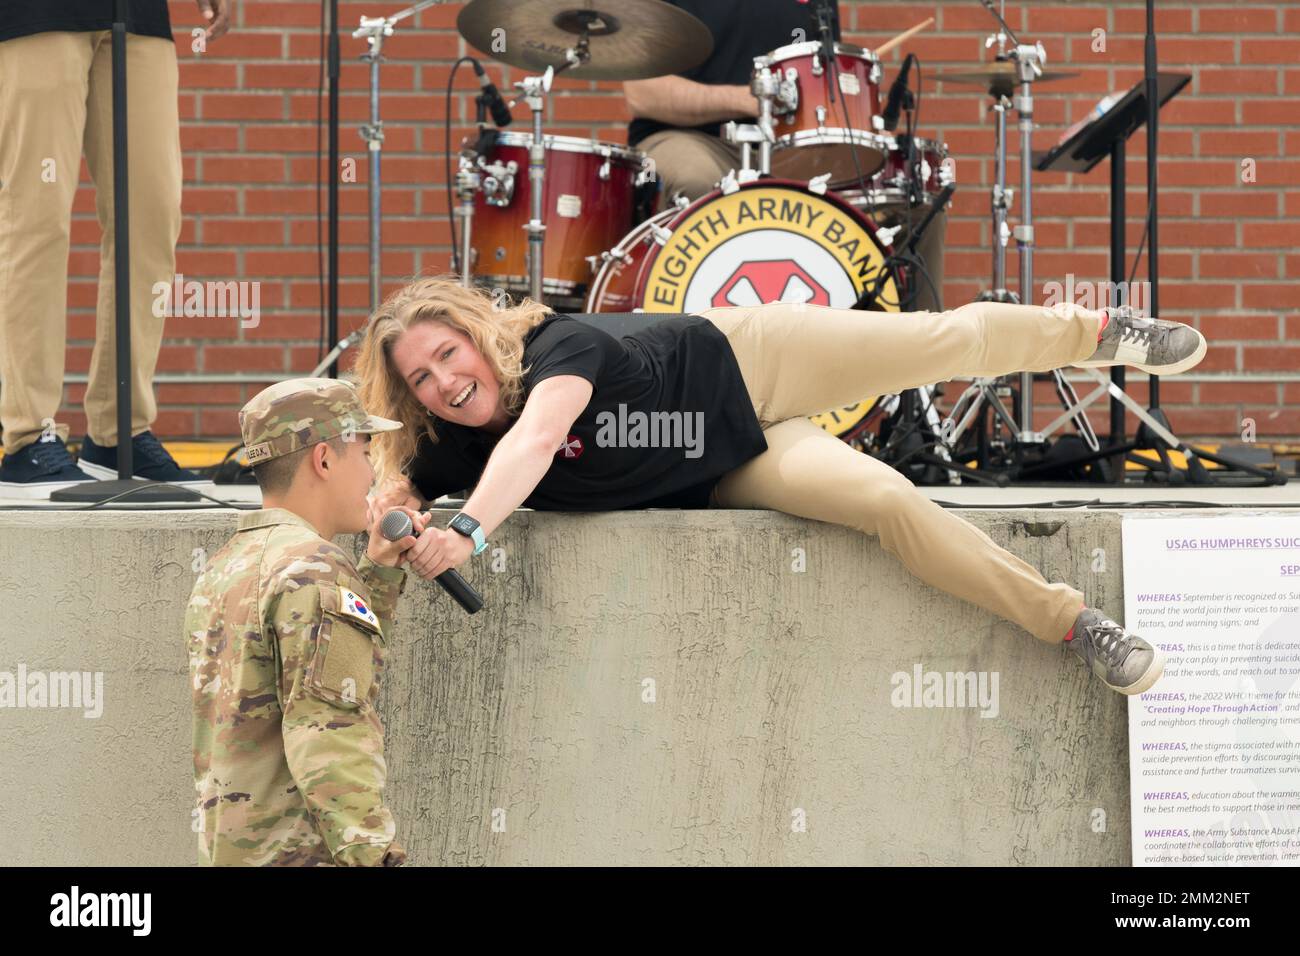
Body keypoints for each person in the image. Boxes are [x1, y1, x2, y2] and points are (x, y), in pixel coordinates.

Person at [356, 276, 1208, 697]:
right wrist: (394, 507)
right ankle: (1076, 624)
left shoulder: (559, 347)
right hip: (728, 468)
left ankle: (1101, 329)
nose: (444, 382)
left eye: (448, 354)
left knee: (934, 341)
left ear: (478, 335)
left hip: (748, 361)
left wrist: (464, 532)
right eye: (420, 378)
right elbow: (394, 486)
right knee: (885, 502)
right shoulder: (452, 445)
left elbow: (540, 438)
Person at [186, 377, 423, 866]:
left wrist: (377, 570)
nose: (372, 473)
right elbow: (329, 729)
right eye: (365, 452)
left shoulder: (224, 567)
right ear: (324, 460)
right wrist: (374, 855)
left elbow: (312, 675)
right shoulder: (315, 567)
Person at [0, 0, 232, 497]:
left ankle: (118, 431)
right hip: (36, 14)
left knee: (152, 216)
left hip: (137, 16)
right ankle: (29, 436)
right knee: (37, 219)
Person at [624, 0, 947, 311]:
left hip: (792, 149)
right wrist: (750, 98)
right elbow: (644, 93)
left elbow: (825, 86)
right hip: (690, 136)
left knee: (912, 200)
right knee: (699, 182)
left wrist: (862, 125)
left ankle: (913, 346)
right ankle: (690, 338)